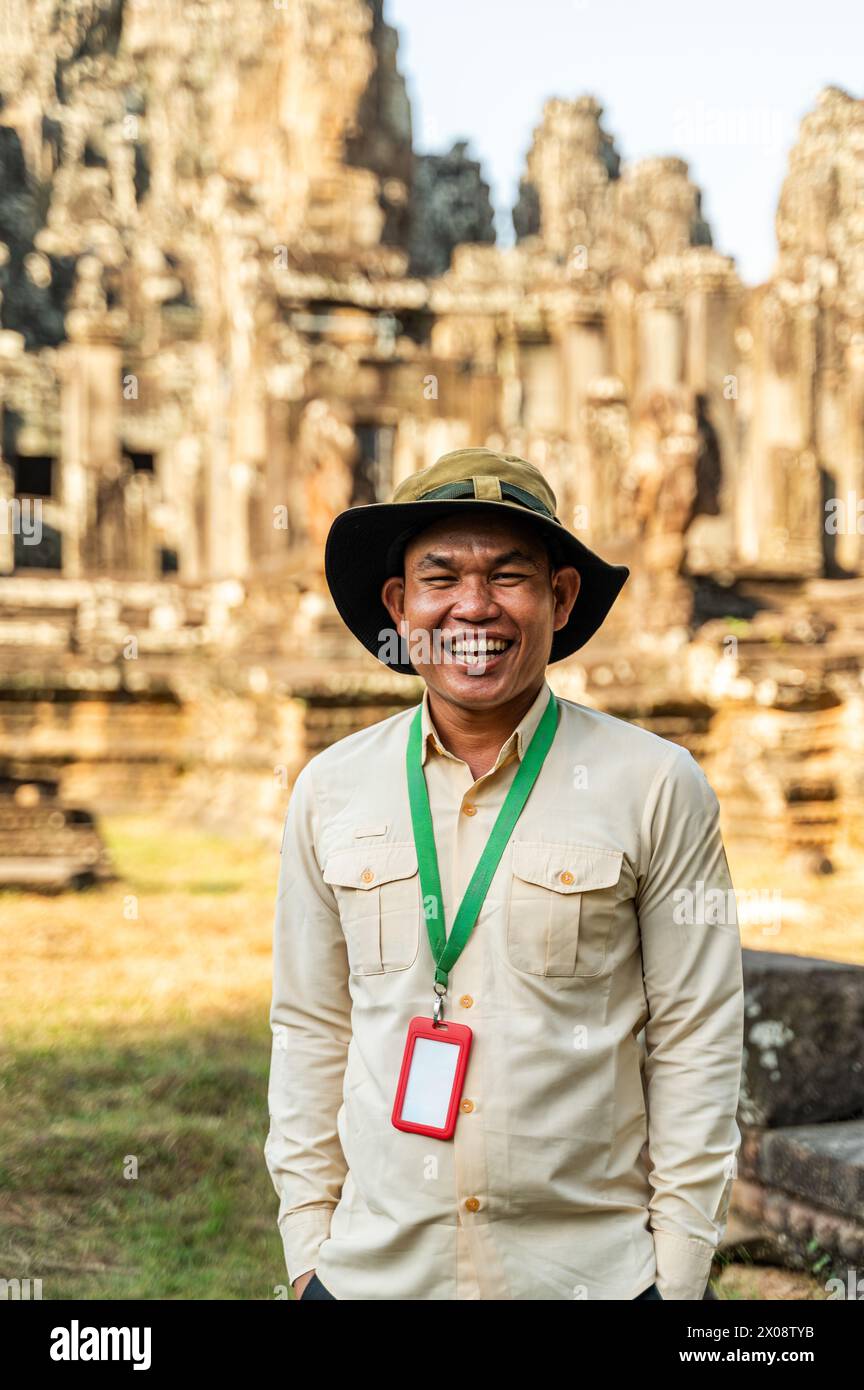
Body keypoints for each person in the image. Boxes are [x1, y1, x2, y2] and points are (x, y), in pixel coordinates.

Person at [265, 445, 744, 1301]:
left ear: (560, 597)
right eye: (440, 577)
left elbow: (696, 1039)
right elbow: (310, 1029)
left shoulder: (655, 784)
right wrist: (309, 1250)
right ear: (399, 605)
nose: (473, 608)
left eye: (509, 576)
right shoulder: (330, 790)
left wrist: (676, 1277)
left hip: (592, 1276)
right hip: (377, 1275)